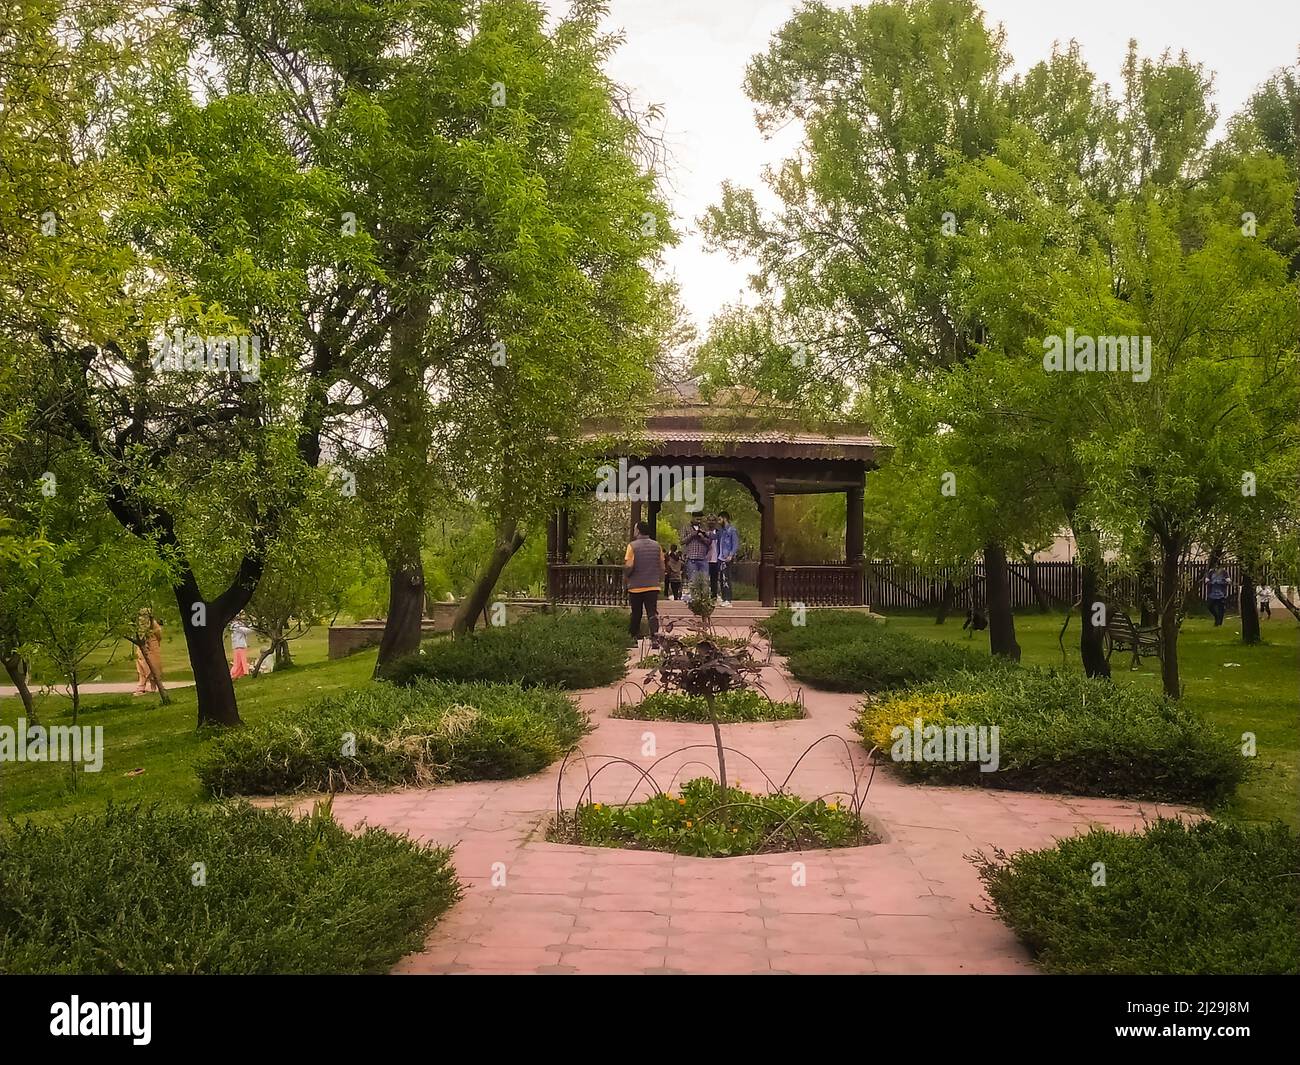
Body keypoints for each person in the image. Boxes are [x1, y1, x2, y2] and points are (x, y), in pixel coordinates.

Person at [624, 521, 664, 640]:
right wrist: (660, 580)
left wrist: (626, 577)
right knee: (652, 613)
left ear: (638, 531)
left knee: (636, 613)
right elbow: (662, 565)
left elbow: (629, 566)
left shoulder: (632, 546)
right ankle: (655, 637)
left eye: (635, 529)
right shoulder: (657, 546)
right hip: (652, 586)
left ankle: (634, 636)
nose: (634, 531)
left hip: (636, 586)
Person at [132, 609, 163, 696]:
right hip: (142, 647)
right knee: (141, 664)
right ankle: (142, 685)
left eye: (145, 615)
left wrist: (152, 642)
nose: (142, 617)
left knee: (153, 665)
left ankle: (154, 686)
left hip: (152, 646)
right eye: (141, 615)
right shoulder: (138, 625)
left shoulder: (154, 625)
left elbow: (159, 636)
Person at [681, 513, 711, 593]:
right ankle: (694, 600)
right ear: (692, 518)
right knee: (693, 581)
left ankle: (704, 600)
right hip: (692, 558)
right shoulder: (686, 527)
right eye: (697, 519)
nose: (699, 521)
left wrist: (702, 537)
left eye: (700, 519)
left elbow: (709, 542)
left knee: (705, 581)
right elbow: (682, 541)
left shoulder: (704, 527)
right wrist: (692, 535)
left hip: (703, 558)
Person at [715, 511, 738, 606]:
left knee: (726, 578)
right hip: (720, 557)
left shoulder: (732, 530)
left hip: (727, 557)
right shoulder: (720, 531)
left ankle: (728, 599)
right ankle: (724, 598)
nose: (718, 521)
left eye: (720, 519)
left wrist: (731, 555)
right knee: (721, 578)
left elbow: (735, 544)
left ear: (725, 518)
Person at [230, 614, 256, 679]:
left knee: (239, 662)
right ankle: (240, 673)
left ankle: (239, 674)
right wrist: (255, 626)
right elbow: (247, 631)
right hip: (240, 646)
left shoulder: (235, 626)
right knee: (240, 661)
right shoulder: (237, 626)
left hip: (237, 646)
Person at [705, 515, 720, 598]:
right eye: (709, 520)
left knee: (714, 579)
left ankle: (713, 597)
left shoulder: (719, 532)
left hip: (716, 559)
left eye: (713, 520)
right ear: (707, 521)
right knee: (705, 580)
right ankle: (704, 597)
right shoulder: (704, 532)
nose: (711, 522)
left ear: (716, 522)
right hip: (705, 559)